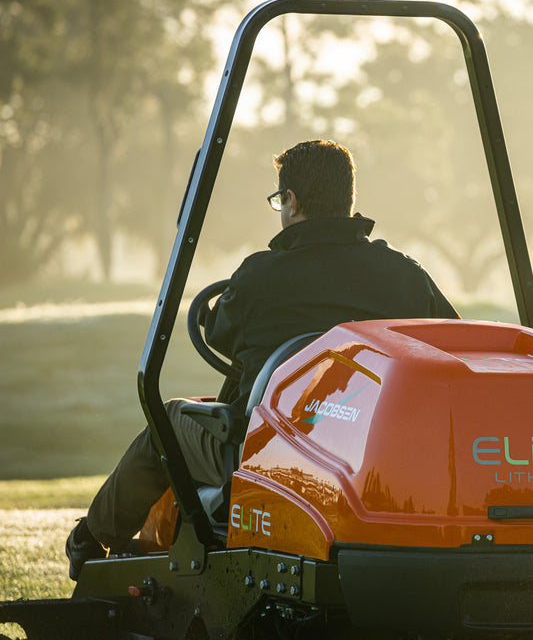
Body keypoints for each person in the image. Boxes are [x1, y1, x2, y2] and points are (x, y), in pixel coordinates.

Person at [65, 139, 458, 579]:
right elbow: (451, 340)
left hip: (272, 450)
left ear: (291, 200)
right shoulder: (405, 274)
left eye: (279, 200)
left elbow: (221, 335)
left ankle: (91, 540)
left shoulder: (260, 274)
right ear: (348, 200)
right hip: (377, 451)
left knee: (170, 421)